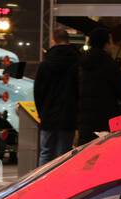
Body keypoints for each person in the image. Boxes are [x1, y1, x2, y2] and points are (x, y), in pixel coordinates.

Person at [76, 27, 121, 147]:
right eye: (111, 42)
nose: (113, 46)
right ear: (105, 44)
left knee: (86, 157)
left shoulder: (82, 65)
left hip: (85, 123)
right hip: (105, 122)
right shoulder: (110, 66)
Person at [34, 27, 80, 165]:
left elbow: (38, 92)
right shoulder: (77, 63)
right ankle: (60, 184)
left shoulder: (45, 64)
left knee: (45, 153)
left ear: (54, 40)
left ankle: (41, 183)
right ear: (68, 40)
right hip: (68, 116)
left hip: (48, 115)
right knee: (64, 155)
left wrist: (42, 112)